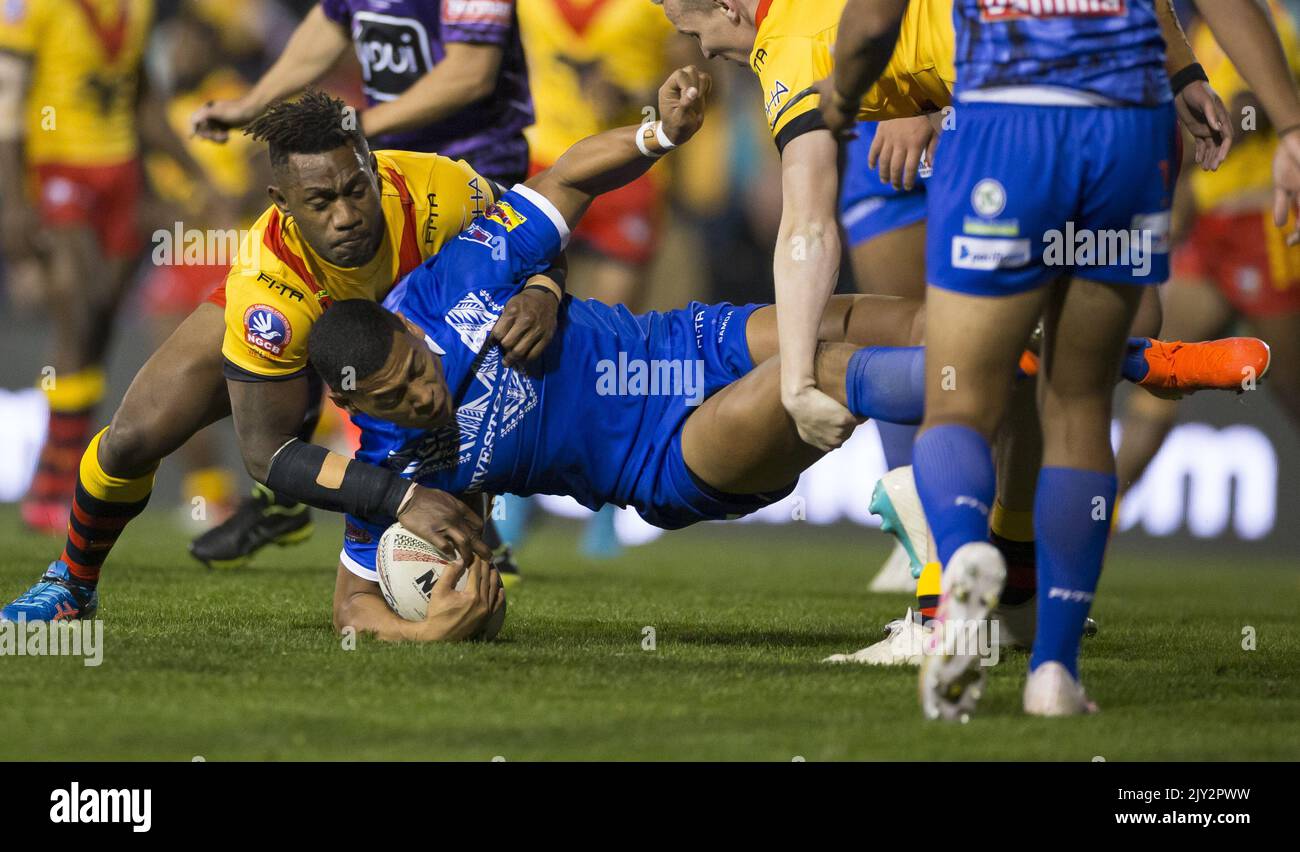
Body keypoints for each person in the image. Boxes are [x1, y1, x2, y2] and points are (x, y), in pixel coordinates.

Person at [0, 91, 562, 622]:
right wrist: (401, 498)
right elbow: (268, 454)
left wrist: (543, 290)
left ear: (373, 166)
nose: (345, 215)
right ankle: (71, 583)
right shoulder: (267, 288)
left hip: (406, 351)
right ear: (283, 204)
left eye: (355, 189)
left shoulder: (441, 190)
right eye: (319, 202)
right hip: (301, 320)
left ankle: (479, 528)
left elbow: (542, 236)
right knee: (131, 438)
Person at [185, 0, 536, 566]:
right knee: (340, 336)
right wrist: (253, 107)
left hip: (457, 175)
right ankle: (290, 493)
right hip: (365, 178)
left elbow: (472, 73)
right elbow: (323, 34)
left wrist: (343, 141)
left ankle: (476, 531)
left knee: (442, 359)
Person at [0, 0, 210, 533]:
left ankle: (59, 467)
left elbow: (141, 99)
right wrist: (10, 200)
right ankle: (58, 478)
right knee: (81, 301)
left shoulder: (136, 8)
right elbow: (7, 97)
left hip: (120, 176)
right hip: (56, 167)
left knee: (96, 326)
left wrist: (190, 169)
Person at [1119, 1, 1300, 495]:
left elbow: (1250, 105)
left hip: (1262, 231)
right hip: (1212, 232)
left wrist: (1191, 168)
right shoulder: (1193, 33)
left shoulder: (1271, 26)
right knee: (1159, 372)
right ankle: (1100, 511)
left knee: (1291, 386)